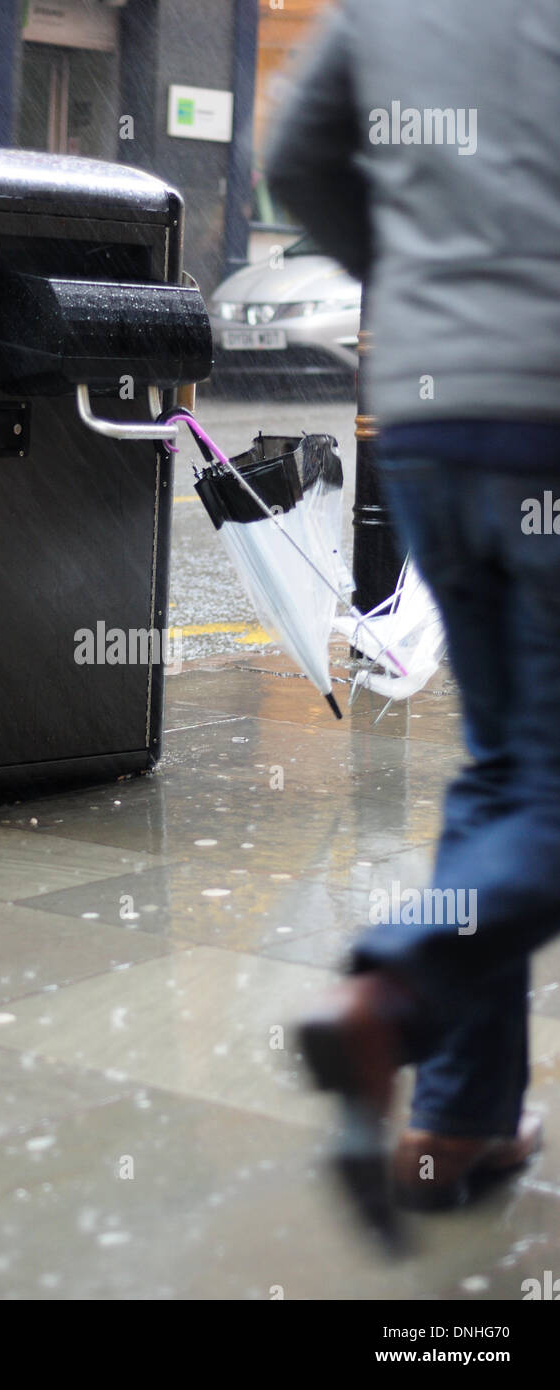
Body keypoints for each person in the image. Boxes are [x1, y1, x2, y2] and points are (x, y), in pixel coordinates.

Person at [266, 0, 560, 1241]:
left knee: (507, 776)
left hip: (432, 415)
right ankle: (394, 986)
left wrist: (410, 277)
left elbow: (292, 160)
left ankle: (458, 1126)